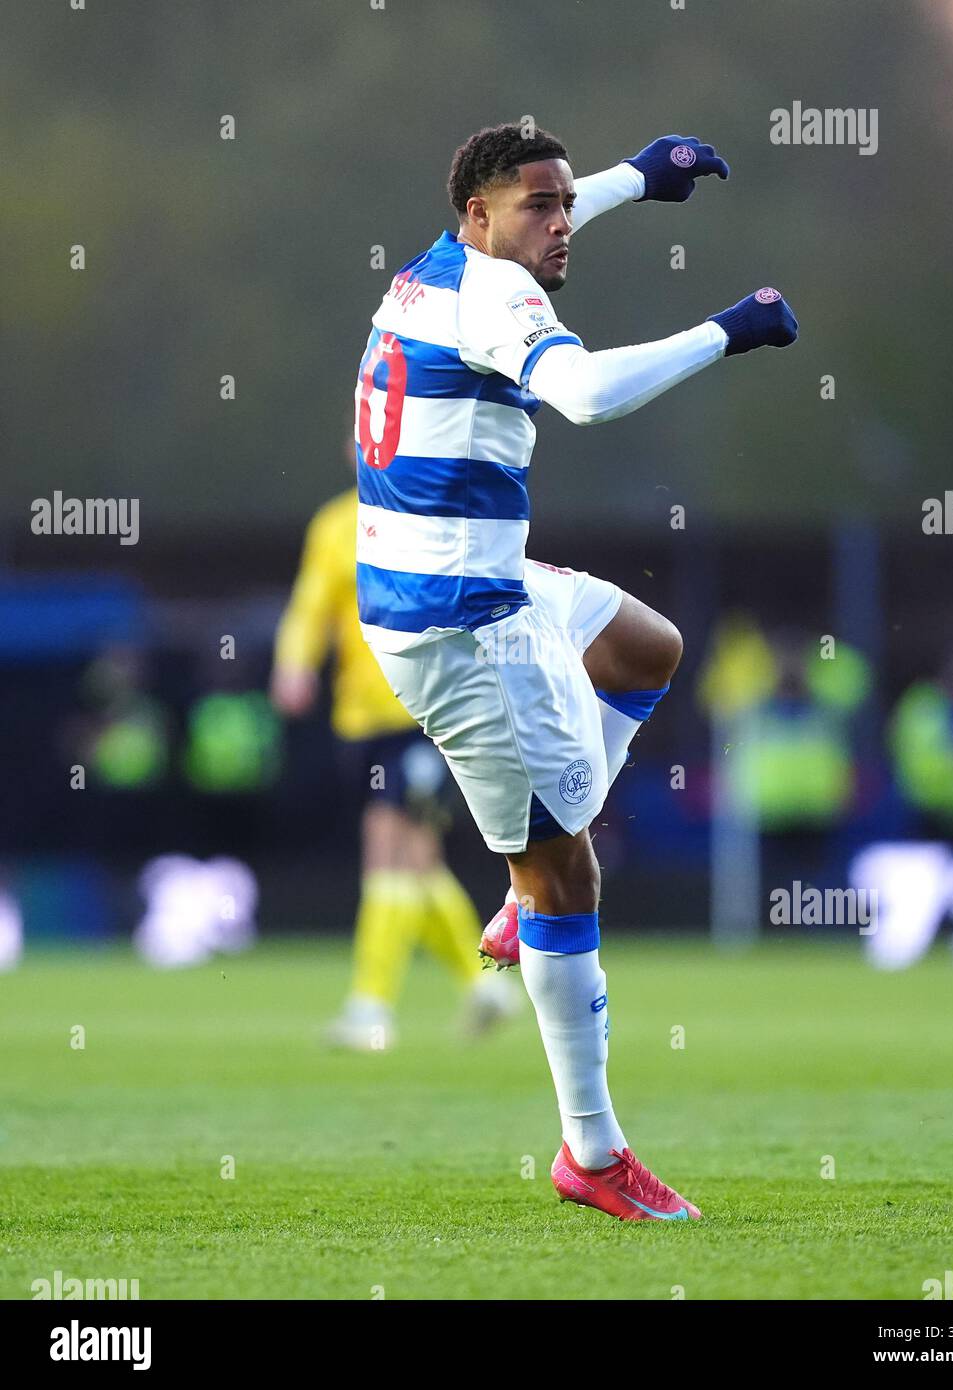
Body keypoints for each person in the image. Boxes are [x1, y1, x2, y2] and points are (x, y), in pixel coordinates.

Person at [353, 124, 799, 1219]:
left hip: (467, 574)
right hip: (464, 622)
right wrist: (727, 331)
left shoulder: (440, 264)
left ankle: (525, 886)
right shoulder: (499, 299)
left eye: (565, 204)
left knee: (643, 648)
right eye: (539, 210)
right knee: (565, 880)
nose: (560, 223)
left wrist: (642, 179)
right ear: (479, 218)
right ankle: (590, 1154)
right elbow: (587, 396)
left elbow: (541, 196)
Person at [271, 486, 517, 1050]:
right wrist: (294, 663)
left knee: (387, 847)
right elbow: (311, 606)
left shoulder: (429, 513)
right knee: (418, 863)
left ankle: (371, 1009)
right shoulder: (334, 523)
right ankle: (484, 983)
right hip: (359, 719)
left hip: (422, 712)